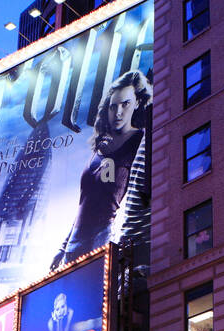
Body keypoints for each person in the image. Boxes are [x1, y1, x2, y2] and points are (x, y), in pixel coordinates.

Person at [50, 70, 153, 268]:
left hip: (104, 237)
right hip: (75, 241)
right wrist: (63, 246)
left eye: (126, 104)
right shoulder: (100, 145)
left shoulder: (140, 141)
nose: (119, 112)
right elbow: (85, 201)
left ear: (137, 103)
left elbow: (139, 198)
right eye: (113, 106)